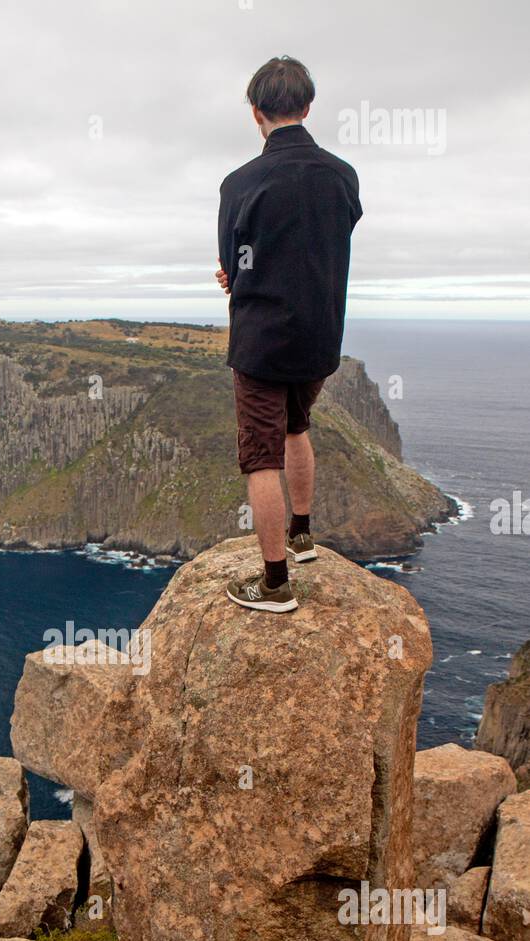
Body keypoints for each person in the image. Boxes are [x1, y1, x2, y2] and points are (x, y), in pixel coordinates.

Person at [216, 56, 362, 613]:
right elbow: (329, 237)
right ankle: (302, 535)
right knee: (297, 426)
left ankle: (274, 584)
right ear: (308, 107)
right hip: (319, 335)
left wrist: (239, 273)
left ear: (256, 113)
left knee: (261, 457)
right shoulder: (342, 175)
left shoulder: (239, 183)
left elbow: (235, 262)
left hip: (261, 341)